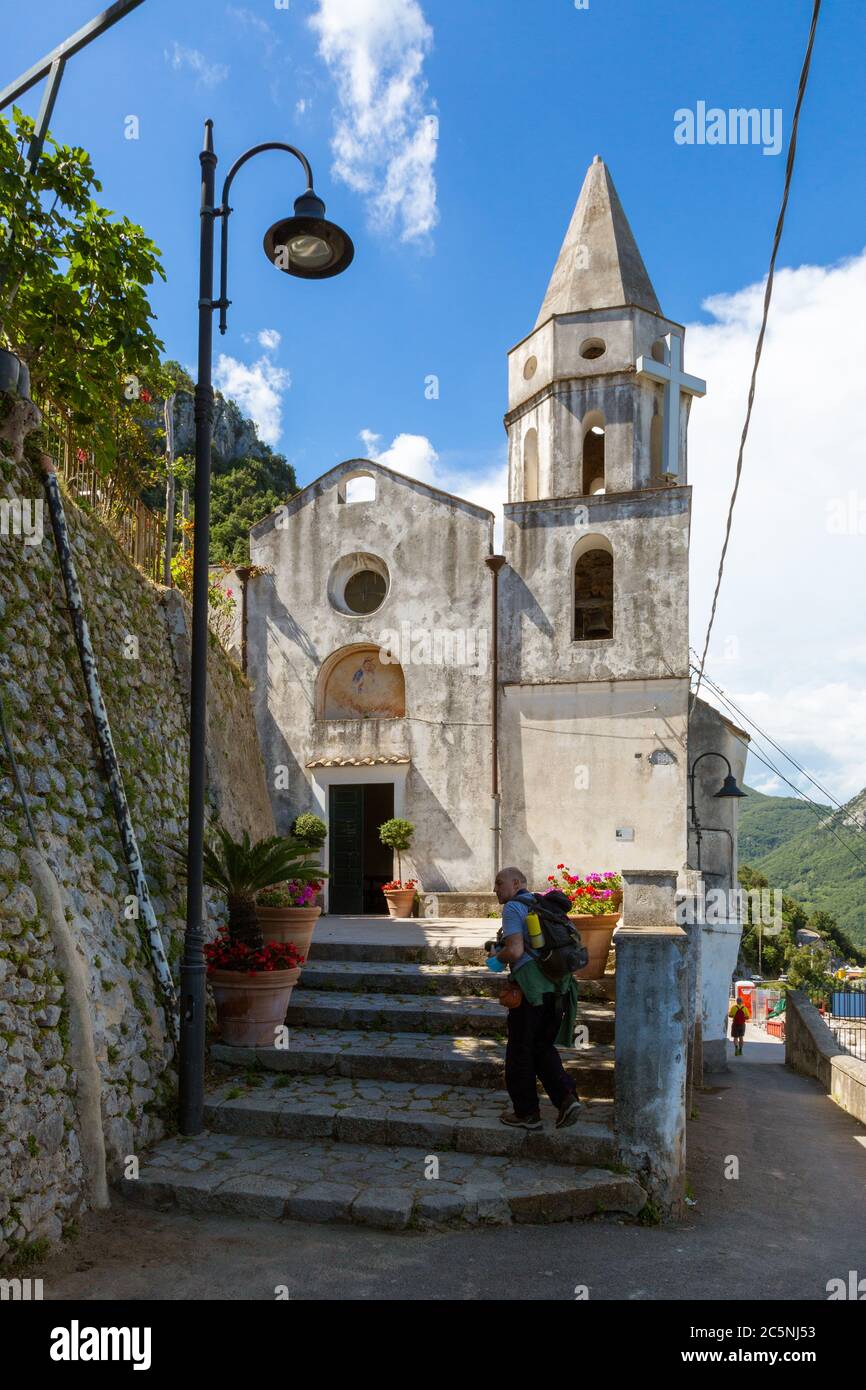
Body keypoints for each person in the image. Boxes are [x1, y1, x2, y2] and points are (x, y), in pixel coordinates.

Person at [492, 866, 582, 1131]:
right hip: (558, 988)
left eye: (499, 883)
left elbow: (515, 950)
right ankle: (567, 1099)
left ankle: (527, 1114)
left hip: (531, 990)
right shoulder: (543, 905)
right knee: (541, 1046)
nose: (495, 889)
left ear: (516, 883)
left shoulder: (513, 908)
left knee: (519, 1052)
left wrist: (496, 958)